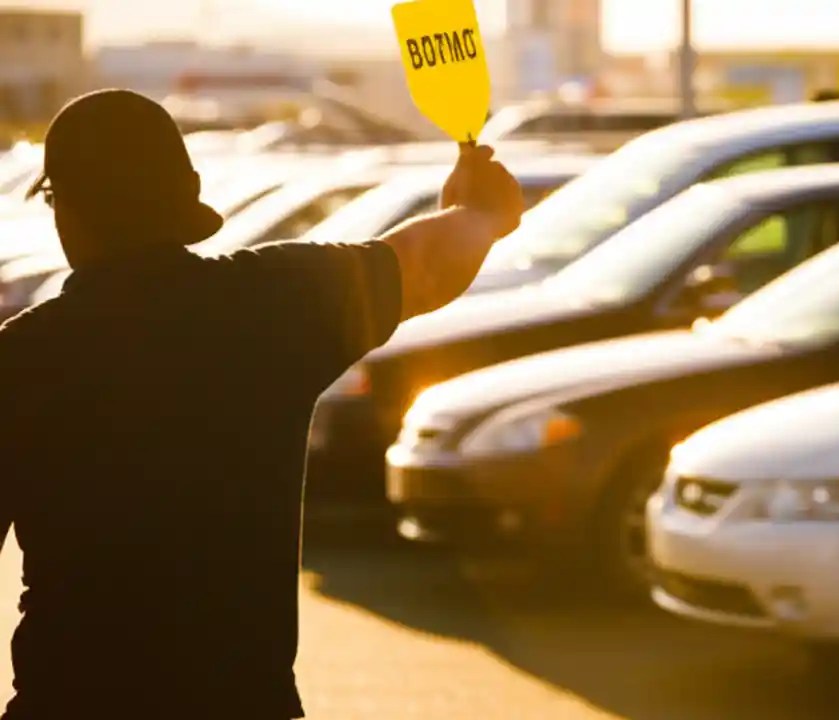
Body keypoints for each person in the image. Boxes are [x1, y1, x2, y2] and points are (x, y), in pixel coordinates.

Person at [0, 89, 523, 720]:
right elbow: (428, 263)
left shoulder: (21, 362)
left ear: (67, 212)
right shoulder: (275, 304)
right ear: (184, 195)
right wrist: (480, 212)